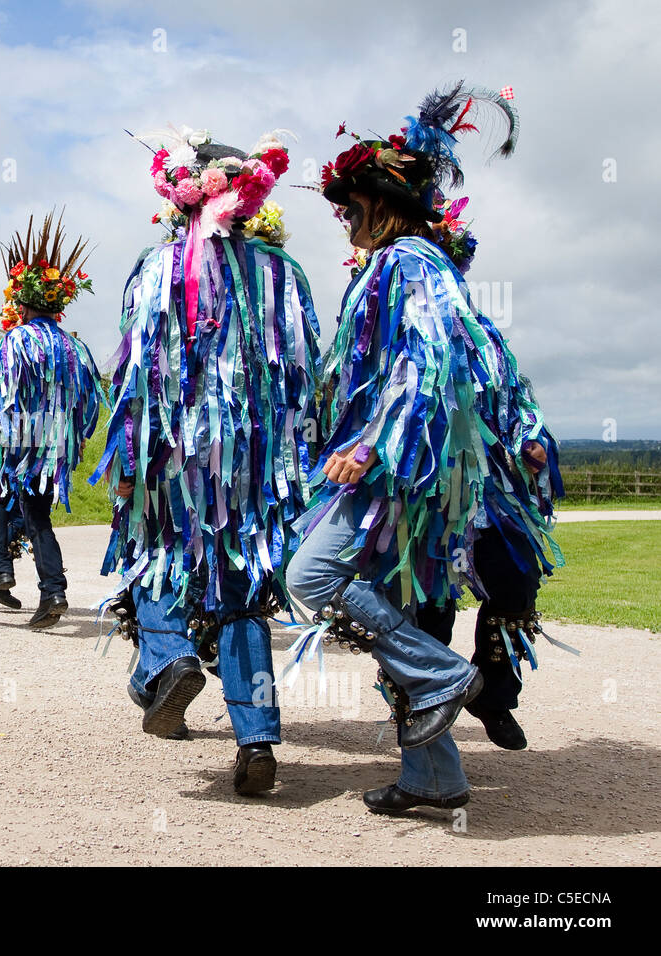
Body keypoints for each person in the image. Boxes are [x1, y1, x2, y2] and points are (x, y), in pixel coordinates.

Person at [285, 83, 523, 815]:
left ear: (384, 204)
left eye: (351, 205)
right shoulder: (397, 265)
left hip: (397, 473)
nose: (343, 218)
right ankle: (434, 776)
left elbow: (428, 366)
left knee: (309, 575)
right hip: (398, 469)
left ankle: (444, 675)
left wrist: (370, 445)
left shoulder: (410, 261)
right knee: (389, 606)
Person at [92, 127, 321, 793]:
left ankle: (171, 661)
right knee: (243, 597)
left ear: (183, 196)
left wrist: (128, 457)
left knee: (160, 563)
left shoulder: (159, 267)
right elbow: (305, 378)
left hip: (172, 462)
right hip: (256, 469)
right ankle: (255, 739)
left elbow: (135, 374)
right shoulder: (283, 275)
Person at [412, 198, 566, 750]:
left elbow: (516, 395)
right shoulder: (383, 331)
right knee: (427, 600)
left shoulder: (483, 337)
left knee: (516, 579)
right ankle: (425, 709)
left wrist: (529, 436)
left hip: (488, 489)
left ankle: (493, 695)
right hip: (418, 494)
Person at [0, 212, 105, 629]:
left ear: (23, 303)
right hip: (51, 441)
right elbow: (83, 399)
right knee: (37, 515)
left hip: (14, 434)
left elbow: (2, 390)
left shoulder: (16, 339)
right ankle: (53, 590)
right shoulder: (73, 347)